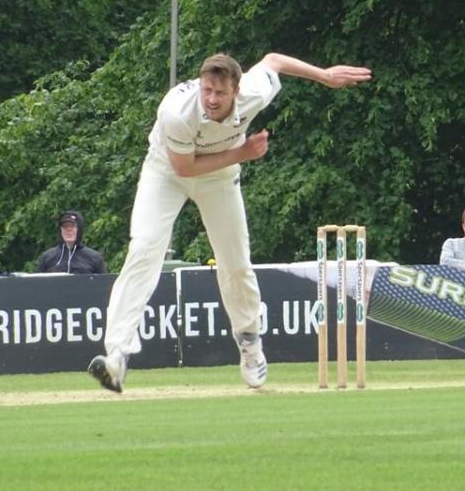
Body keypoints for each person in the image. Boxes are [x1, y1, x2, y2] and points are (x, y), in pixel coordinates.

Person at [88, 52, 371, 393]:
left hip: (219, 177)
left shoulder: (253, 91)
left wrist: (325, 75)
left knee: (235, 264)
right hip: (167, 171)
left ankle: (250, 345)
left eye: (220, 93)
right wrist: (243, 153)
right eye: (207, 90)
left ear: (237, 91)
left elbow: (274, 60)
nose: (211, 99)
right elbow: (185, 168)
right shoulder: (176, 112)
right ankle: (117, 356)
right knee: (144, 250)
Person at [37, 210, 107, 274]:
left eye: (72, 226)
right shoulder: (47, 257)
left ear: (79, 229)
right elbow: (37, 285)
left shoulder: (95, 258)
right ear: (60, 230)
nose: (69, 230)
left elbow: (105, 285)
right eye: (65, 227)